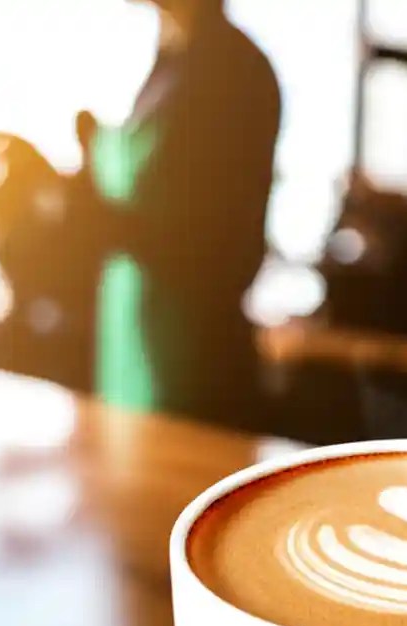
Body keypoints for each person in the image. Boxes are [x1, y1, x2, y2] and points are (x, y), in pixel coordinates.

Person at [77, 0, 282, 430]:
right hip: (128, 360)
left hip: (194, 378)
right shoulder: (166, 61)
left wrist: (92, 218)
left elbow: (224, 255)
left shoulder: (236, 73)